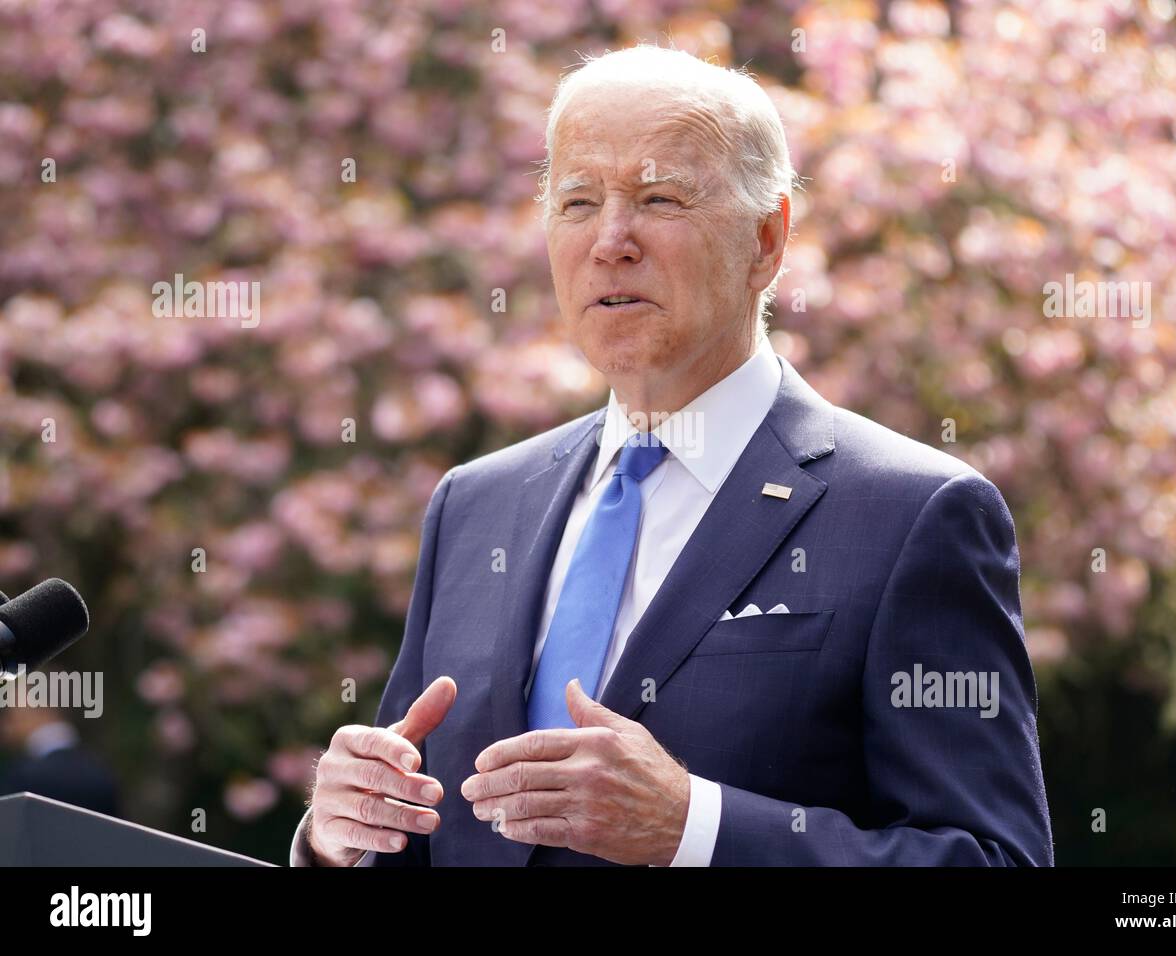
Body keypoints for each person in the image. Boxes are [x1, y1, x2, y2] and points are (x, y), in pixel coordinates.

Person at [290, 44, 1053, 867]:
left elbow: (995, 857)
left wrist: (693, 827)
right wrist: (338, 839)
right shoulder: (475, 505)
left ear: (767, 240)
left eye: (659, 198)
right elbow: (413, 836)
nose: (611, 241)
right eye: (578, 202)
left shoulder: (914, 515)